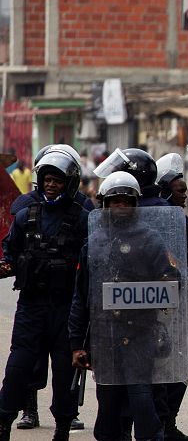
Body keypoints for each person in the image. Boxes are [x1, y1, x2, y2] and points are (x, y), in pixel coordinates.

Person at [69, 171, 183, 441]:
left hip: (141, 332)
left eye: (126, 201)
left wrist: (164, 280)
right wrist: (76, 343)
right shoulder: (93, 243)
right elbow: (81, 297)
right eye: (115, 201)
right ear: (104, 205)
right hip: (104, 335)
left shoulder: (150, 238)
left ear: (135, 205)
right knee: (108, 403)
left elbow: (172, 283)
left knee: (141, 397)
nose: (120, 206)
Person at [0, 150, 90, 441]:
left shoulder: (83, 219)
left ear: (69, 183)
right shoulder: (26, 215)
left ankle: (63, 427)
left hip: (66, 308)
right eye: (48, 180)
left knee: (65, 374)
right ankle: (4, 423)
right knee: (18, 369)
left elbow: (94, 261)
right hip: (31, 307)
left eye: (58, 181)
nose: (51, 185)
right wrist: (7, 264)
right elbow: (9, 251)